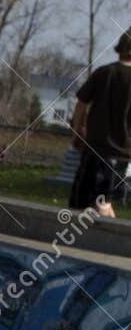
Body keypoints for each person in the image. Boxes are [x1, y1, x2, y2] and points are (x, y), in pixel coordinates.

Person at [68, 29, 131, 218]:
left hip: (94, 149)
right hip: (121, 152)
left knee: (81, 202)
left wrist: (77, 130)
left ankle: (111, 242)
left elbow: (81, 104)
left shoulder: (104, 72)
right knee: (102, 202)